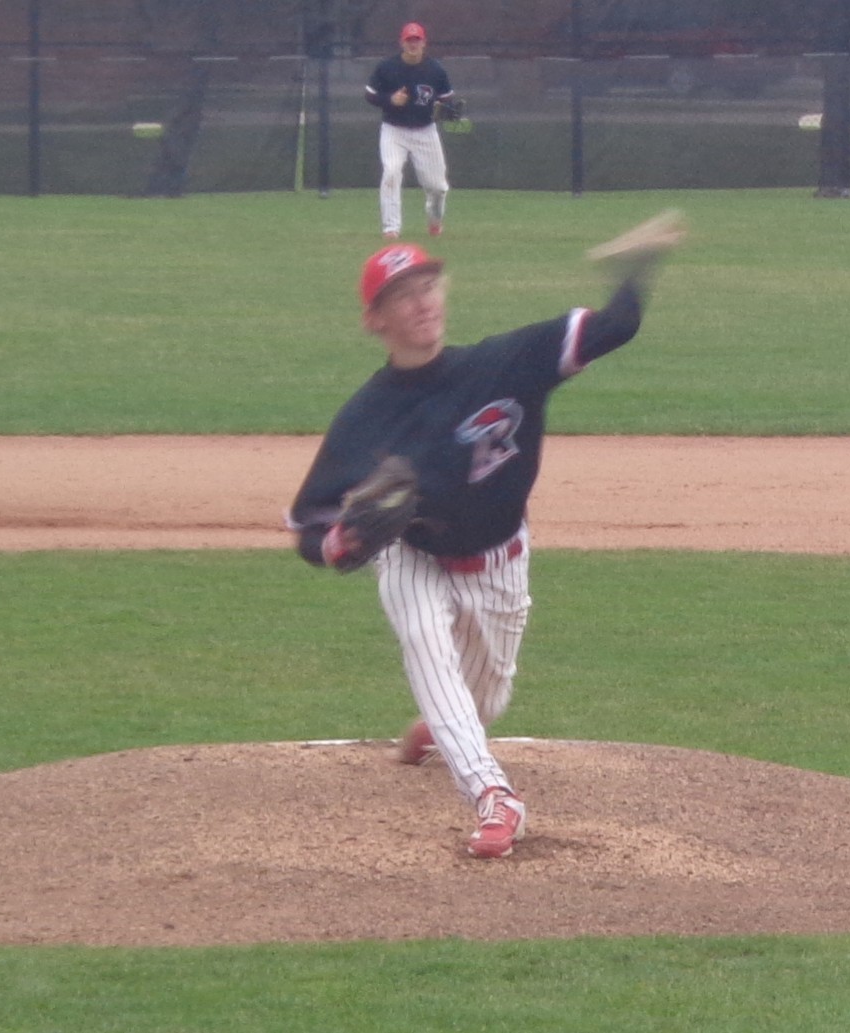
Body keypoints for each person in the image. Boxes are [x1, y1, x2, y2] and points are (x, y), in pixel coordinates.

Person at [286, 219, 682, 858]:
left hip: (501, 563)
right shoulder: (365, 419)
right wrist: (341, 543)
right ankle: (496, 797)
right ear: (375, 320)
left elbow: (614, 327)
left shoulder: (506, 362)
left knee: (486, 695)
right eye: (401, 296)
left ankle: (445, 730)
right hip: (416, 558)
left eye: (428, 286)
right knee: (422, 638)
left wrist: (635, 266)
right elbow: (309, 528)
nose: (422, 302)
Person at [365, 22, 454, 240]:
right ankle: (391, 228)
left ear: (424, 43)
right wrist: (390, 99)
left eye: (417, 40)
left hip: (425, 130)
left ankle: (434, 221)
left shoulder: (435, 70)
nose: (413, 44)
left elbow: (446, 100)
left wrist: (447, 111)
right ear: (402, 43)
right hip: (394, 130)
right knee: (392, 172)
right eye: (409, 40)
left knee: (438, 187)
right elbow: (370, 94)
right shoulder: (387, 67)